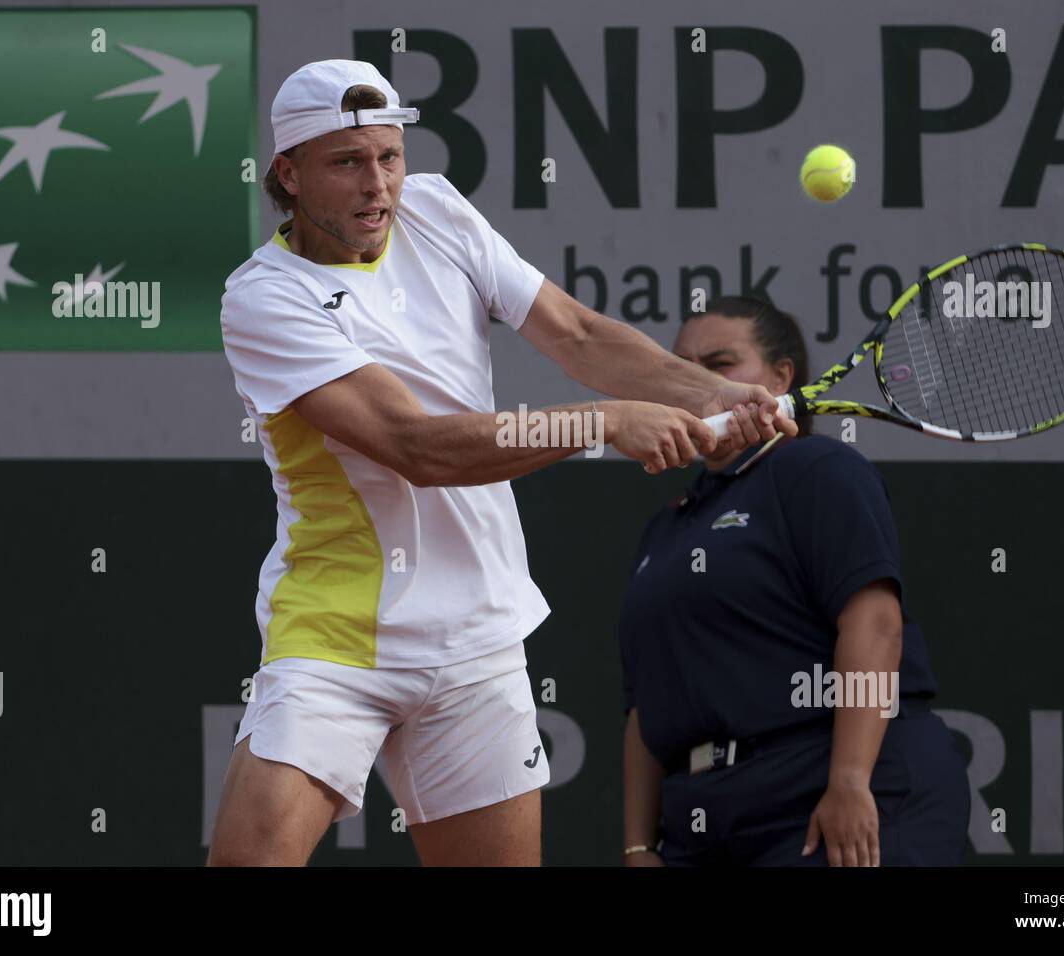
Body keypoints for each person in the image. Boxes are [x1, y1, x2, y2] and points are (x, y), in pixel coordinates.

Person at [207, 60, 796, 867]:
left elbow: (579, 337)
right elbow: (419, 446)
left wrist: (712, 396)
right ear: (288, 172)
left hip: (477, 635)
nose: (378, 185)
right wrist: (608, 422)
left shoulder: (439, 212)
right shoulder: (264, 297)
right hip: (336, 635)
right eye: (347, 162)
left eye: (389, 156)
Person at [619, 295, 969, 867]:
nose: (697, 382)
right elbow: (643, 709)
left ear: (782, 377)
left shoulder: (816, 469)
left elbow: (874, 623)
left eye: (720, 363)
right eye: (681, 368)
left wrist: (851, 781)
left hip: (825, 797)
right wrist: (639, 846)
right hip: (702, 828)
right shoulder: (667, 527)